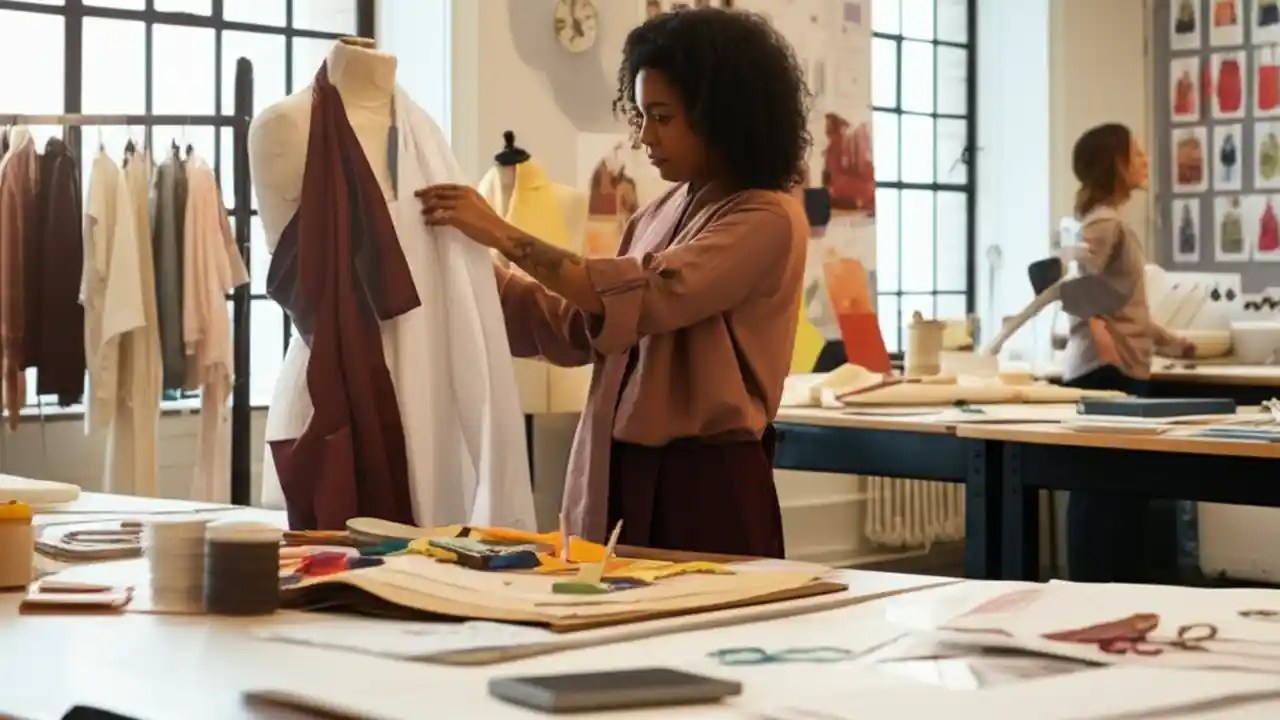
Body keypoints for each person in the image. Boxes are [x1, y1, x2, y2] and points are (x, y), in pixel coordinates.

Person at [416, 8, 811, 558]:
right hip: (618, 466)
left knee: (703, 636)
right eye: (642, 115)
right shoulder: (656, 214)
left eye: (663, 117)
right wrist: (460, 264)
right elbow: (576, 325)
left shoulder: (766, 217)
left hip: (704, 481)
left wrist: (502, 234)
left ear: (721, 114)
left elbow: (644, 297)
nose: (644, 136)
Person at [1060, 123, 1193, 583]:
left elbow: (1120, 302)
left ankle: (1116, 592)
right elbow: (1076, 288)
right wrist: (1100, 336)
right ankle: (1096, 593)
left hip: (1119, 367)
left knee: (1116, 495)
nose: (1143, 160)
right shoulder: (1103, 225)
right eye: (1136, 153)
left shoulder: (1107, 223)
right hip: (1105, 372)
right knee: (1104, 497)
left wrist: (1168, 338)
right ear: (1115, 164)